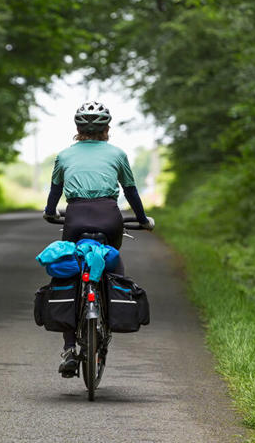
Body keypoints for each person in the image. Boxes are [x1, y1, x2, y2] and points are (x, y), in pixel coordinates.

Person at [43, 101, 154, 377]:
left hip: (75, 217)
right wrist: (142, 219)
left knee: (70, 273)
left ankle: (69, 348)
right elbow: (131, 192)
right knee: (113, 266)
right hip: (109, 218)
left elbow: (54, 193)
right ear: (107, 128)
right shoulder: (117, 153)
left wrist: (49, 214)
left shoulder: (65, 155)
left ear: (78, 129)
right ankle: (112, 308)